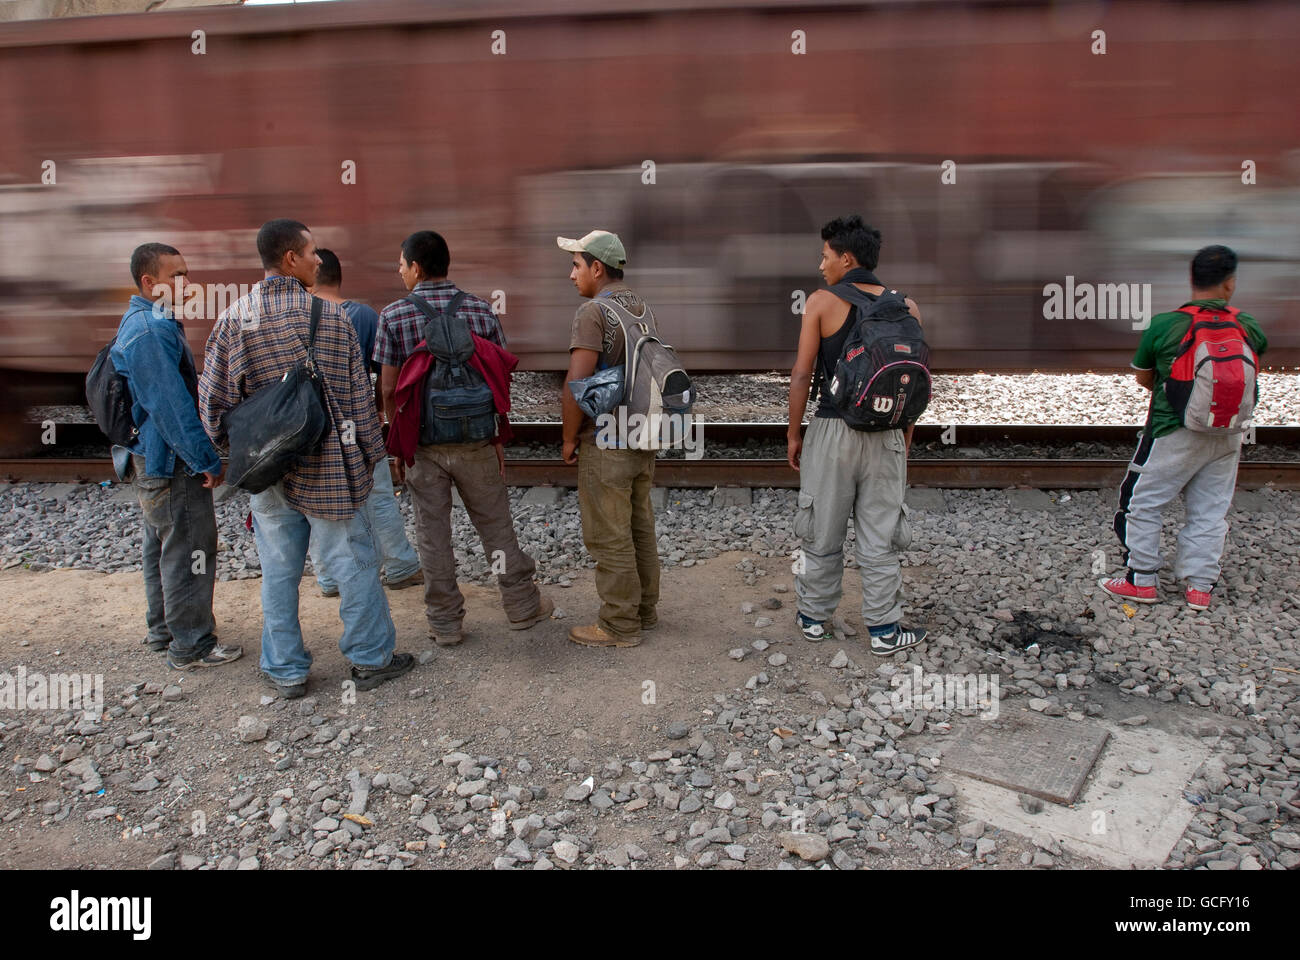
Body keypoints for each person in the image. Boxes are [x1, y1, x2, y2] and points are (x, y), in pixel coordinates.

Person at [199, 219, 412, 698]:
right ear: (291, 259)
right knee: (354, 565)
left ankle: (287, 669)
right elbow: (360, 399)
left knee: (278, 571)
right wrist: (371, 459)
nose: (320, 260)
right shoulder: (332, 317)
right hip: (330, 468)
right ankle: (371, 658)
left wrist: (231, 453)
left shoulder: (234, 319)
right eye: (313, 252)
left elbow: (212, 404)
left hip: (269, 469)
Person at [374, 229, 552, 646]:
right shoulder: (480, 311)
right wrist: (493, 439)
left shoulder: (394, 316)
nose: (400, 273)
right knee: (496, 527)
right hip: (475, 440)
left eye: (401, 265)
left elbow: (387, 390)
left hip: (424, 445)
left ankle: (445, 624)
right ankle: (522, 607)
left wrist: (397, 444)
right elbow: (498, 378)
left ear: (416, 267)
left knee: (433, 535)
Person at [785, 215, 927, 655]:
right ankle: (885, 631)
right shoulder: (908, 307)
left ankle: (813, 618)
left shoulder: (822, 302)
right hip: (887, 435)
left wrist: (794, 434)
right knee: (880, 535)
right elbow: (913, 379)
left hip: (832, 431)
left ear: (846, 258)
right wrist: (904, 434)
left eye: (826, 255)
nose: (821, 263)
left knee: (822, 532)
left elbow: (803, 373)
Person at [1101, 245, 1267, 611]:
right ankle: (1199, 588)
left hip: (1170, 430)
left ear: (1191, 280)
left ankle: (1141, 580)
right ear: (1230, 284)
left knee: (1140, 503)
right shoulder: (1248, 324)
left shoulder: (1165, 324)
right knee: (1210, 509)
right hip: (1228, 433)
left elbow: (1145, 377)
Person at [111, 243, 243, 670]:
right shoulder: (150, 330)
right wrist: (205, 459)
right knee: (189, 550)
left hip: (153, 460)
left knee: (161, 546)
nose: (186, 283)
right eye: (177, 276)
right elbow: (170, 406)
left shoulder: (150, 321)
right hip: (171, 464)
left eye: (187, 273)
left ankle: (164, 629)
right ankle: (193, 646)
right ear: (150, 283)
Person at [558, 229, 659, 648]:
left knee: (608, 534)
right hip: (643, 434)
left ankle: (619, 625)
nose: (571, 275)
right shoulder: (640, 307)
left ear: (597, 268)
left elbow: (576, 382)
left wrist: (567, 439)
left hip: (607, 439)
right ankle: (645, 611)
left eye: (576, 265)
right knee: (639, 526)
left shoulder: (593, 313)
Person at [308, 248, 422, 597]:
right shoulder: (364, 316)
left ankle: (329, 576)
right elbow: (381, 376)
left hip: (312, 429)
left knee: (318, 502)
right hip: (359, 423)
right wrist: (377, 412)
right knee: (379, 495)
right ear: (340, 278)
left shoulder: (297, 315)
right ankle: (400, 564)